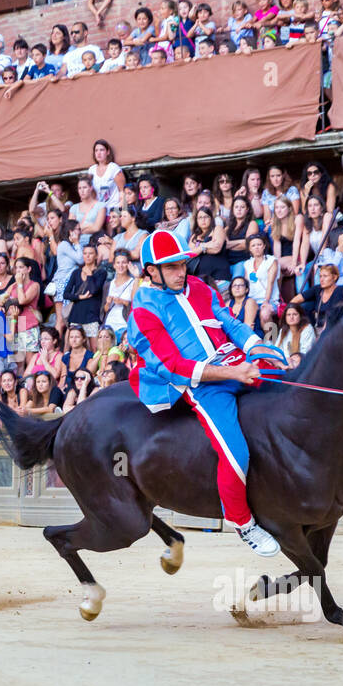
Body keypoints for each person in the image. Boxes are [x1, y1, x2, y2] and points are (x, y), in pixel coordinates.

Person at [126, 229, 284, 556]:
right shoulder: (141, 312)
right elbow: (171, 367)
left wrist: (257, 346)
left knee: (292, 383)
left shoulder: (198, 286)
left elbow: (227, 322)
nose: (181, 271)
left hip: (234, 359)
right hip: (201, 384)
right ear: (151, 271)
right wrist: (234, 372)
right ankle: (243, 523)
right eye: (170, 266)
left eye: (182, 263)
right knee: (235, 455)